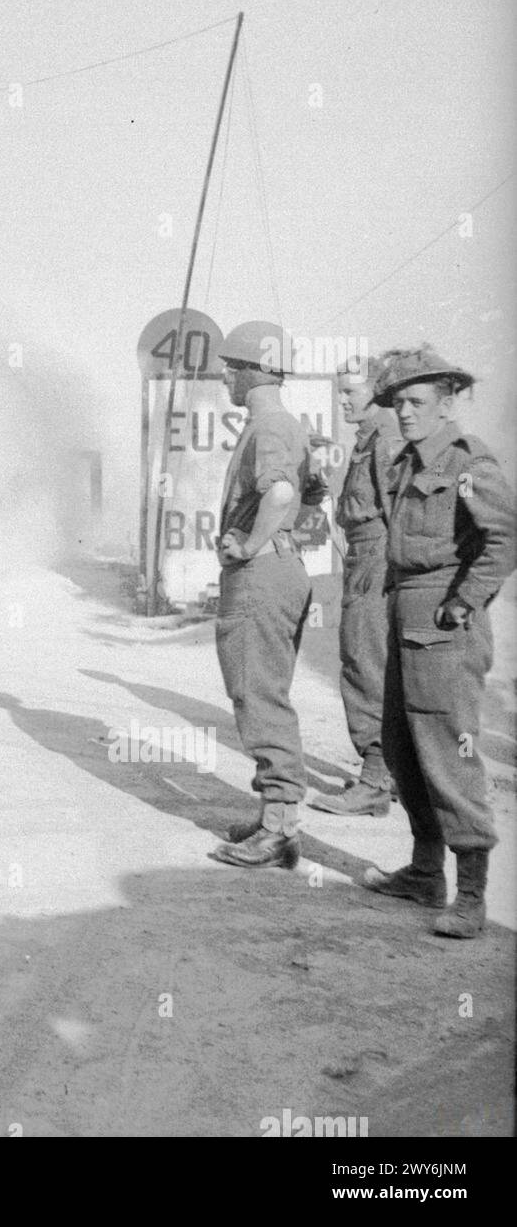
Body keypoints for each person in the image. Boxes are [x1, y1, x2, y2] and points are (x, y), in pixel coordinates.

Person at [361, 346, 514, 938]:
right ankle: (426, 875)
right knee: (402, 746)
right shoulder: (405, 462)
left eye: (416, 402)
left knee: (450, 751)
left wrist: (464, 600)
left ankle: (472, 896)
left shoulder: (466, 460)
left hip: (444, 622)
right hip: (403, 609)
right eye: (398, 403)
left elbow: (505, 538)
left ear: (447, 403)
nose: (404, 413)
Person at [209, 320, 314, 869]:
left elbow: (282, 490)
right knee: (266, 690)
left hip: (261, 575)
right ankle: (276, 817)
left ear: (252, 371)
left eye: (231, 366)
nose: (226, 376)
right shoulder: (288, 426)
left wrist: (249, 545)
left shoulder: (268, 426)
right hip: (285, 569)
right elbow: (312, 492)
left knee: (258, 694)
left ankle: (279, 829)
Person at [309, 356, 401, 816]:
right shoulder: (370, 439)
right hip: (367, 557)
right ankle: (395, 773)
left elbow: (398, 516)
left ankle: (374, 782)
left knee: (365, 664)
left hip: (377, 563)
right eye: (340, 391)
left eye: (351, 392)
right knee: (376, 665)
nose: (343, 400)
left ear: (376, 392)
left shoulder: (385, 442)